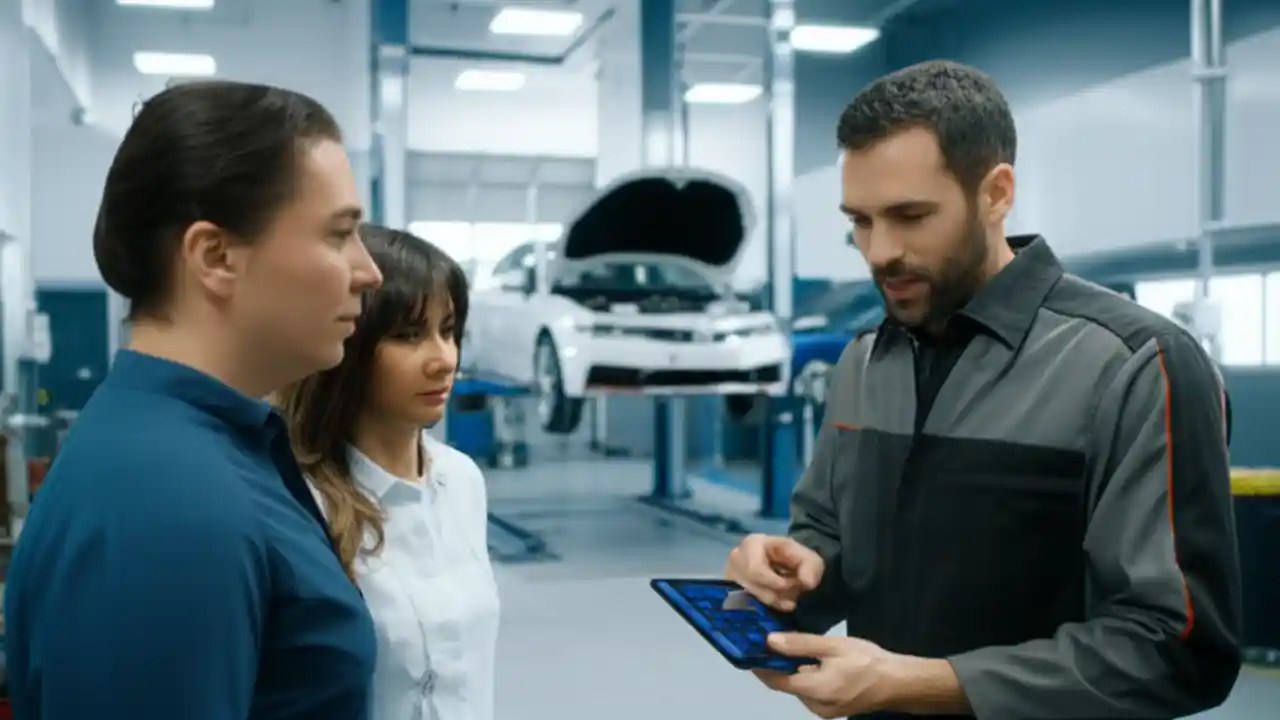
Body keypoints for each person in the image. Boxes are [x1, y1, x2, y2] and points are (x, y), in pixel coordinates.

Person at [725, 60, 1241, 719]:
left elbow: (1179, 649)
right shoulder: (866, 359)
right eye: (861, 221)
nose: (879, 252)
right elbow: (829, 539)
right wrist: (786, 573)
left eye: (911, 216)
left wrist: (922, 683)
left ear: (996, 194)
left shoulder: (1136, 365)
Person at [4, 80, 384, 718]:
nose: (369, 271)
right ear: (216, 256)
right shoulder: (166, 500)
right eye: (339, 234)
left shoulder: (199, 449)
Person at [277, 224, 500, 720]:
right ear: (349, 345)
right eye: (408, 336)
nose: (444, 359)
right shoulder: (304, 502)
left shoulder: (462, 481)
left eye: (448, 331)